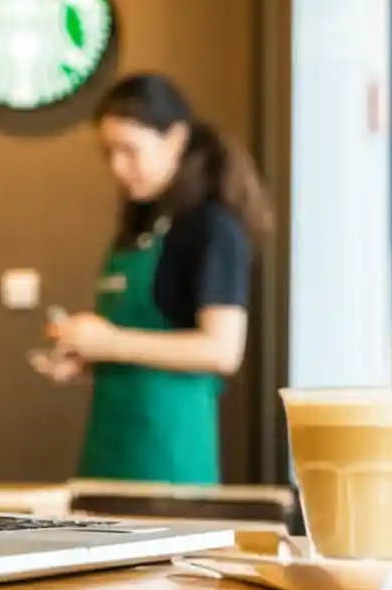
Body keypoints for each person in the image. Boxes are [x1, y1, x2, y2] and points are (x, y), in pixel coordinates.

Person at [29, 73, 274, 484]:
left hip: (168, 459)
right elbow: (136, 347)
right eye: (108, 153)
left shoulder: (212, 228)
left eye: (129, 150)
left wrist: (110, 342)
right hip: (109, 453)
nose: (117, 167)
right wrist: (88, 357)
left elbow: (222, 350)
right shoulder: (140, 226)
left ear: (176, 139)